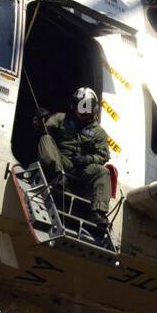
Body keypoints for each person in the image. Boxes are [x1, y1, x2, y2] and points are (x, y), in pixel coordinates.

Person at [36, 87, 111, 234]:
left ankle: (98, 213)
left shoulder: (99, 133)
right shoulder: (60, 119)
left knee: (103, 172)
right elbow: (42, 128)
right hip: (61, 162)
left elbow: (103, 156)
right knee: (45, 139)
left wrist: (87, 159)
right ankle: (58, 178)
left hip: (81, 170)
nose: (84, 111)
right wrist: (40, 119)